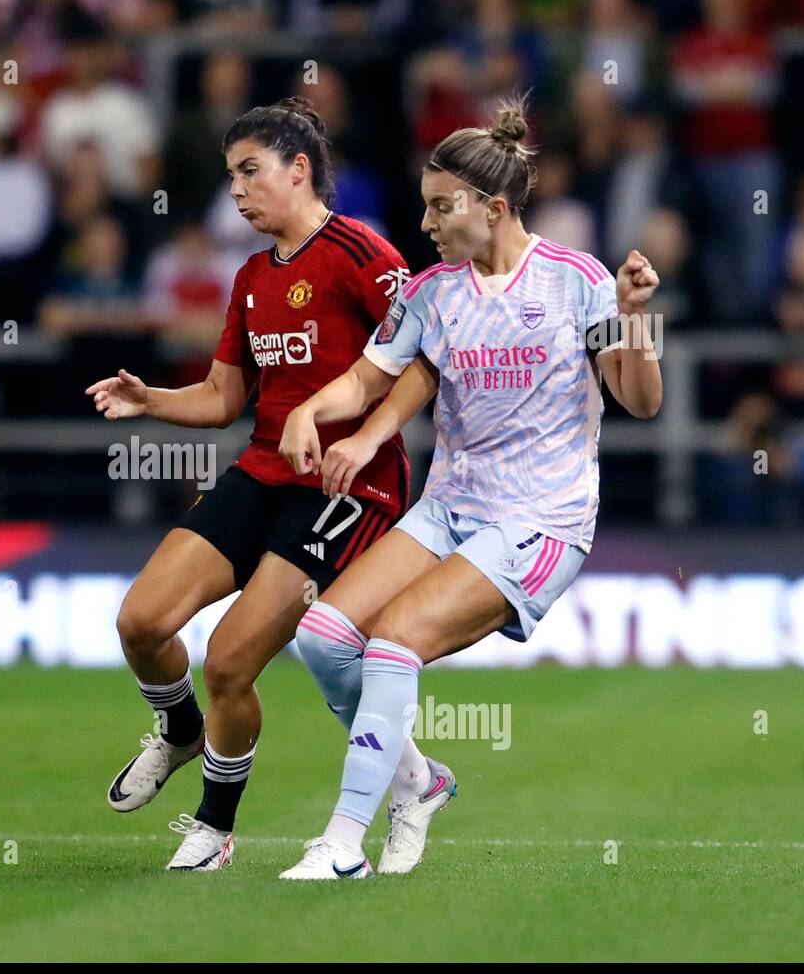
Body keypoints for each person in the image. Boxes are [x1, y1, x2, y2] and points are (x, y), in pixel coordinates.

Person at [278, 97, 662, 879]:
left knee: (394, 642)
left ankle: (343, 843)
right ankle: (418, 780)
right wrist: (322, 414)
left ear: (492, 207)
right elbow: (366, 379)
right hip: (452, 510)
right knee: (321, 637)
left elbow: (639, 400)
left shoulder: (576, 281)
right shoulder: (433, 293)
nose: (426, 223)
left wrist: (632, 319)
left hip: (542, 520)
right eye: (423, 206)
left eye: (439, 206)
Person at [86, 97, 425, 871]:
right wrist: (151, 401)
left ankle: (213, 829)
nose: (236, 191)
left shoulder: (362, 254)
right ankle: (178, 732)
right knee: (141, 621)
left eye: (250, 171)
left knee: (231, 660)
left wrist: (368, 436)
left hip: (347, 488)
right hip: (263, 467)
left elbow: (416, 358)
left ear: (299, 169)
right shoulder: (248, 277)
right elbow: (223, 399)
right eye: (229, 175)